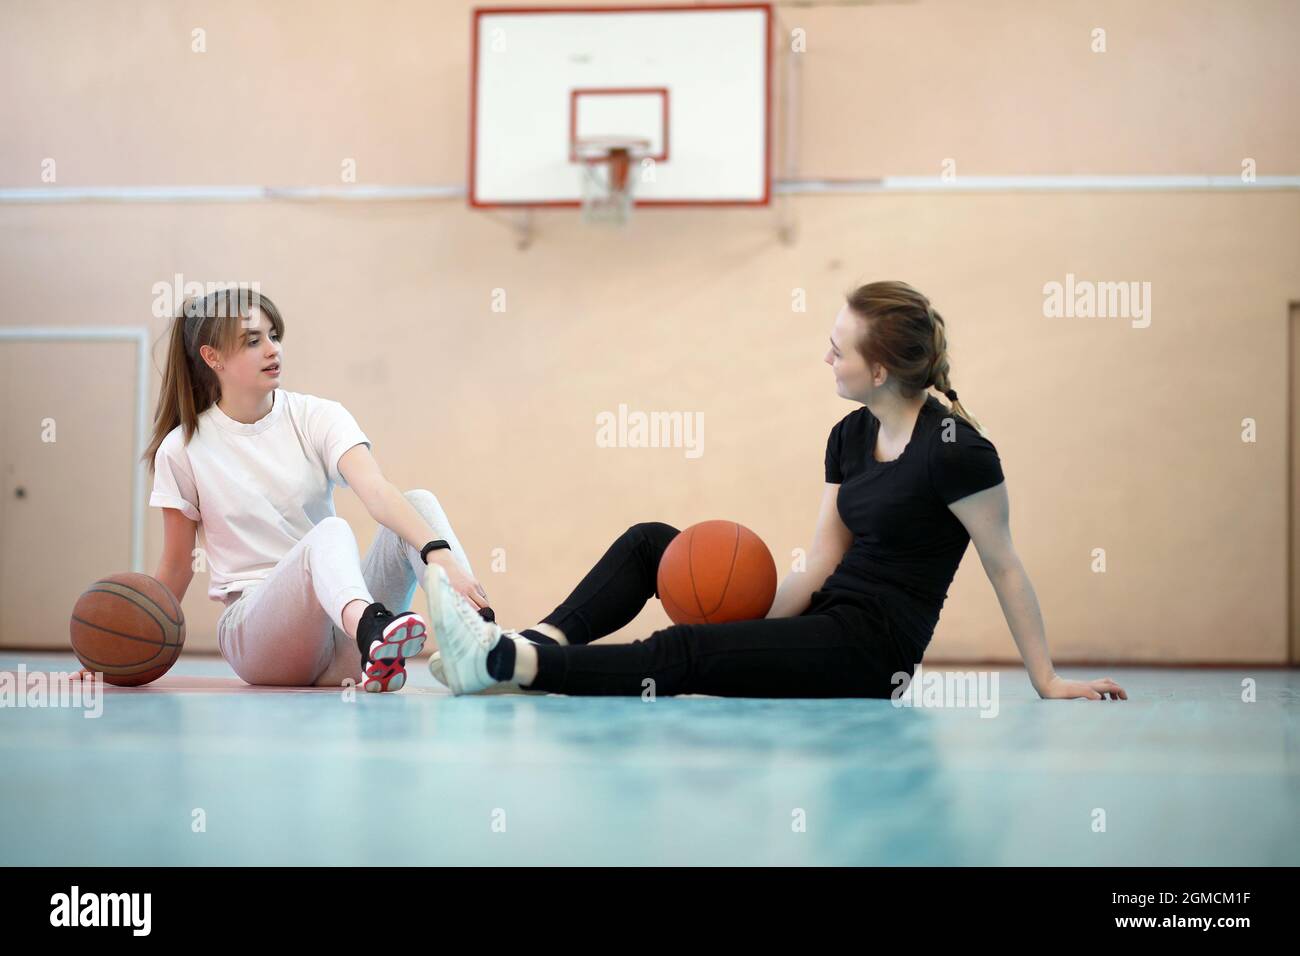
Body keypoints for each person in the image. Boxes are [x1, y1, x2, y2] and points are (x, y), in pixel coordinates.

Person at [426, 280, 1127, 702]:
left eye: (838, 350)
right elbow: (820, 566)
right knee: (652, 546)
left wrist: (1048, 679)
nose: (826, 356)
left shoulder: (959, 452)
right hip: (824, 611)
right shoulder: (849, 437)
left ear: (879, 369)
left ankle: (512, 664)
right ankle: (529, 638)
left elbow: (1004, 565)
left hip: (868, 652)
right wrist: (751, 617)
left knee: (686, 654)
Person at [135, 287, 491, 692]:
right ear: (211, 357)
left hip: (339, 633)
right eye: (253, 341)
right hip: (259, 639)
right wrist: (125, 657)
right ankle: (372, 629)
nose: (273, 350)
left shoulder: (317, 416)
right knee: (332, 532)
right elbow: (178, 567)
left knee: (418, 504)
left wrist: (438, 554)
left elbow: (376, 490)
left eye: (274, 336)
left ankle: (478, 643)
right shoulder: (182, 448)